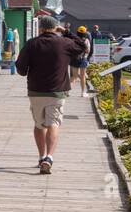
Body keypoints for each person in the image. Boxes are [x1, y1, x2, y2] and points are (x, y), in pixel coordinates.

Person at [14, 16, 87, 175]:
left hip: (35, 91)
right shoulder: (65, 43)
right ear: (56, 28)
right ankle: (49, 157)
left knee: (39, 125)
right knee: (54, 123)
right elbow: (83, 46)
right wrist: (66, 32)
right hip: (57, 91)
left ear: (40, 28)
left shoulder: (31, 44)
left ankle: (41, 157)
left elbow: (20, 69)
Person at [72, 25, 93, 97]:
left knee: (74, 76)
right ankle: (83, 93)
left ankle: (66, 91)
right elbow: (88, 51)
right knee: (82, 76)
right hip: (83, 59)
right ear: (85, 33)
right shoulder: (86, 40)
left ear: (77, 32)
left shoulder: (74, 40)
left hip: (75, 59)